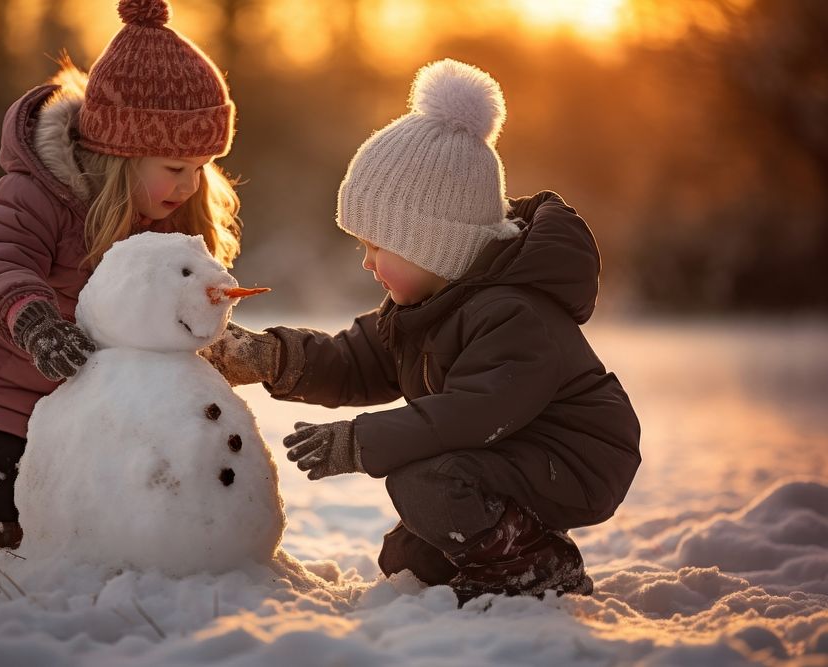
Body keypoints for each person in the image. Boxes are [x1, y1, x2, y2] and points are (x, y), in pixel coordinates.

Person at [202, 59, 641, 604]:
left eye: (377, 247)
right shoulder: (429, 305)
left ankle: (537, 567)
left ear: (434, 244)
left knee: (426, 484)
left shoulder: (512, 314)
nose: (366, 263)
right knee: (409, 560)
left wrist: (362, 442)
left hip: (574, 456)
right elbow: (358, 359)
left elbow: (471, 412)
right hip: (510, 450)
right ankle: (506, 548)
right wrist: (273, 358)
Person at [0, 0, 241, 565]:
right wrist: (35, 322)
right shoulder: (38, 192)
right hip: (6, 369)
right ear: (119, 154)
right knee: (12, 476)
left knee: (91, 469)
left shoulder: (169, 214)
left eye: (202, 166)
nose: (192, 185)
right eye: (176, 168)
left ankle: (94, 547)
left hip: (84, 380)